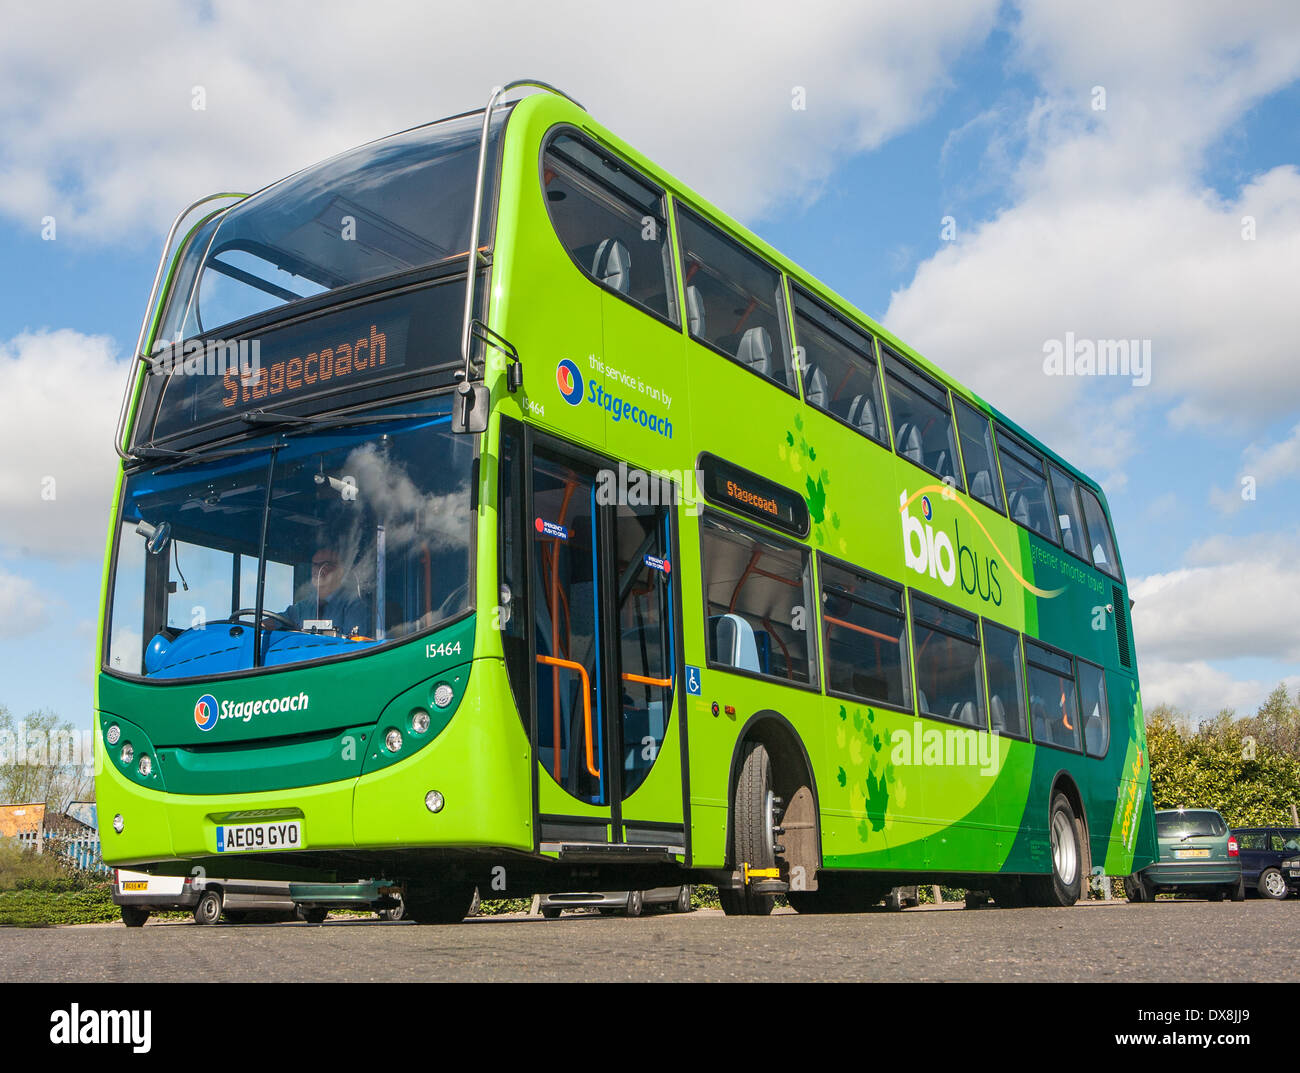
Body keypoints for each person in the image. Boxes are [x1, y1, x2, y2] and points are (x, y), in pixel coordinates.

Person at [281, 543, 369, 637]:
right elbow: (274, 622)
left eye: (325, 565)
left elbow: (354, 644)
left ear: (340, 571)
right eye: (315, 565)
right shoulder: (302, 608)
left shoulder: (353, 606)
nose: (318, 570)